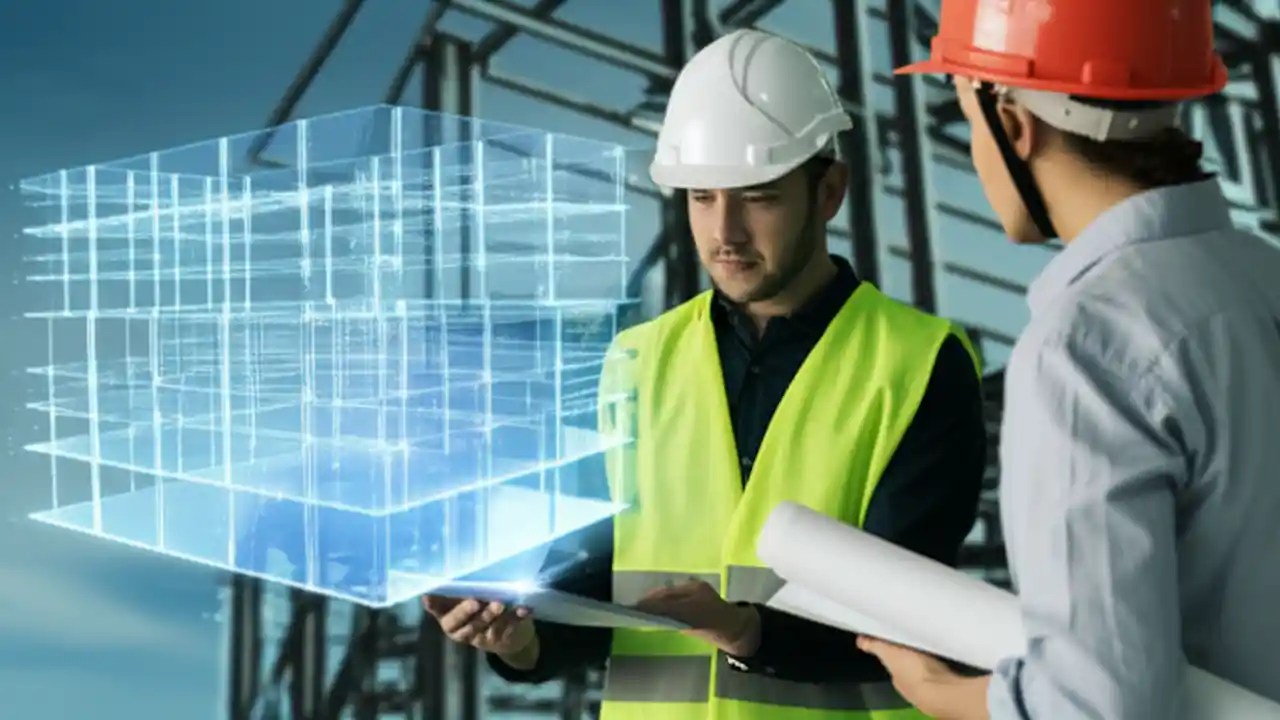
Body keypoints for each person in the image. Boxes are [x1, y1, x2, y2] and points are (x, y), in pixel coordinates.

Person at [423, 28, 989, 719]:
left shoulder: (919, 364)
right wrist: (518, 635)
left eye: (759, 197)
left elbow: (916, 624)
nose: (725, 233)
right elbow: (599, 585)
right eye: (701, 197)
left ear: (830, 191)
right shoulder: (636, 361)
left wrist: (743, 630)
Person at [855, 1, 1280, 718]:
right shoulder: (1260, 274)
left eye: (966, 111)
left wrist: (945, 696)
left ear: (1014, 125)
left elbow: (1097, 705)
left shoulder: (1087, 345)